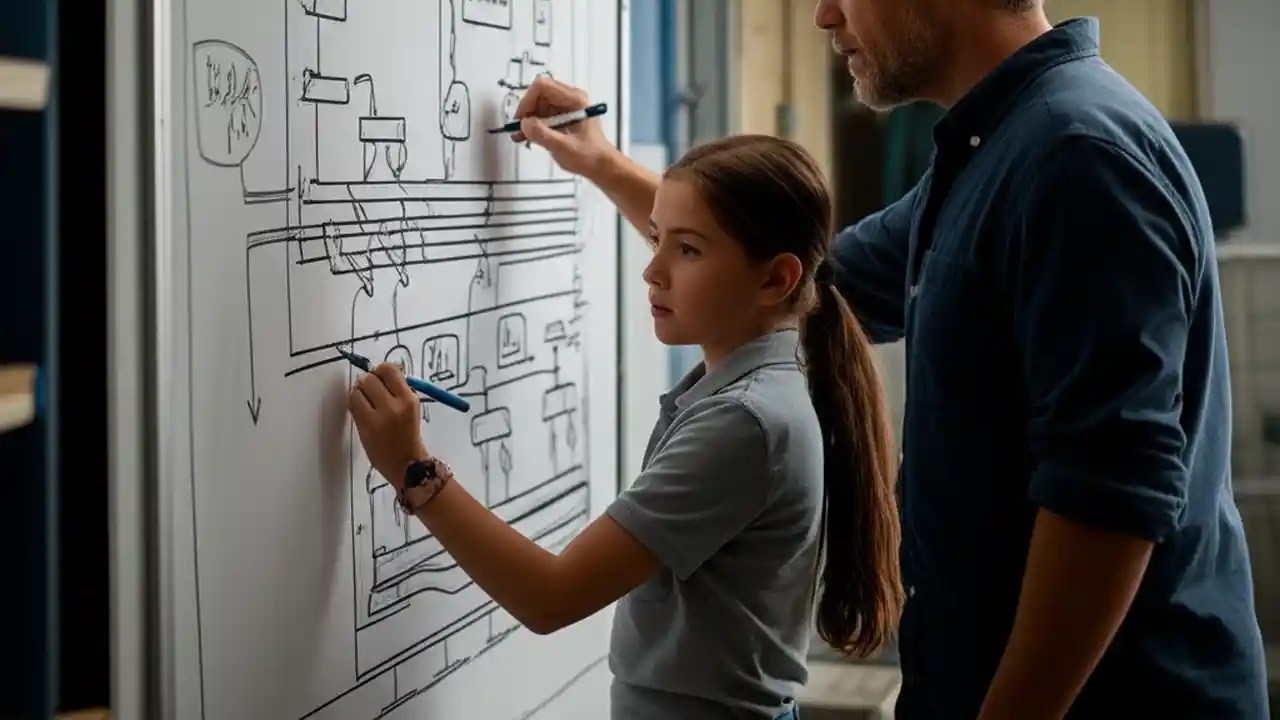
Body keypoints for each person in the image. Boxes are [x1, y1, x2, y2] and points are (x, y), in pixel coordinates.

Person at [508, 1, 1269, 718]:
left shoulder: (1077, 154)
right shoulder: (997, 148)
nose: (824, 14)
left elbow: (1107, 501)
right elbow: (792, 283)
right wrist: (605, 166)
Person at [347, 134, 904, 719]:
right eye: (657, 238)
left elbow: (549, 597)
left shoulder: (744, 422)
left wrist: (413, 469)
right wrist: (602, 165)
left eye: (687, 250)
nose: (651, 270)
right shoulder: (762, 378)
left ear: (775, 280)